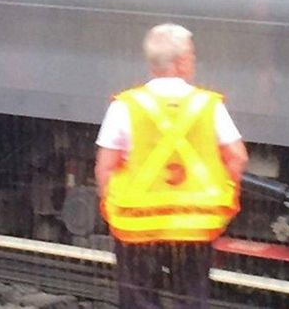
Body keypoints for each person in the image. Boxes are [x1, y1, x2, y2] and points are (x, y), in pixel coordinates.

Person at [96, 24, 249, 309]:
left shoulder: (125, 106)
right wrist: (225, 198)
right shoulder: (208, 105)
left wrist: (112, 207)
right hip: (193, 224)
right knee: (190, 297)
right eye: (191, 56)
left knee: (138, 297)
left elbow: (105, 167)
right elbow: (237, 157)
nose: (193, 61)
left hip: (137, 224)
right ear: (180, 62)